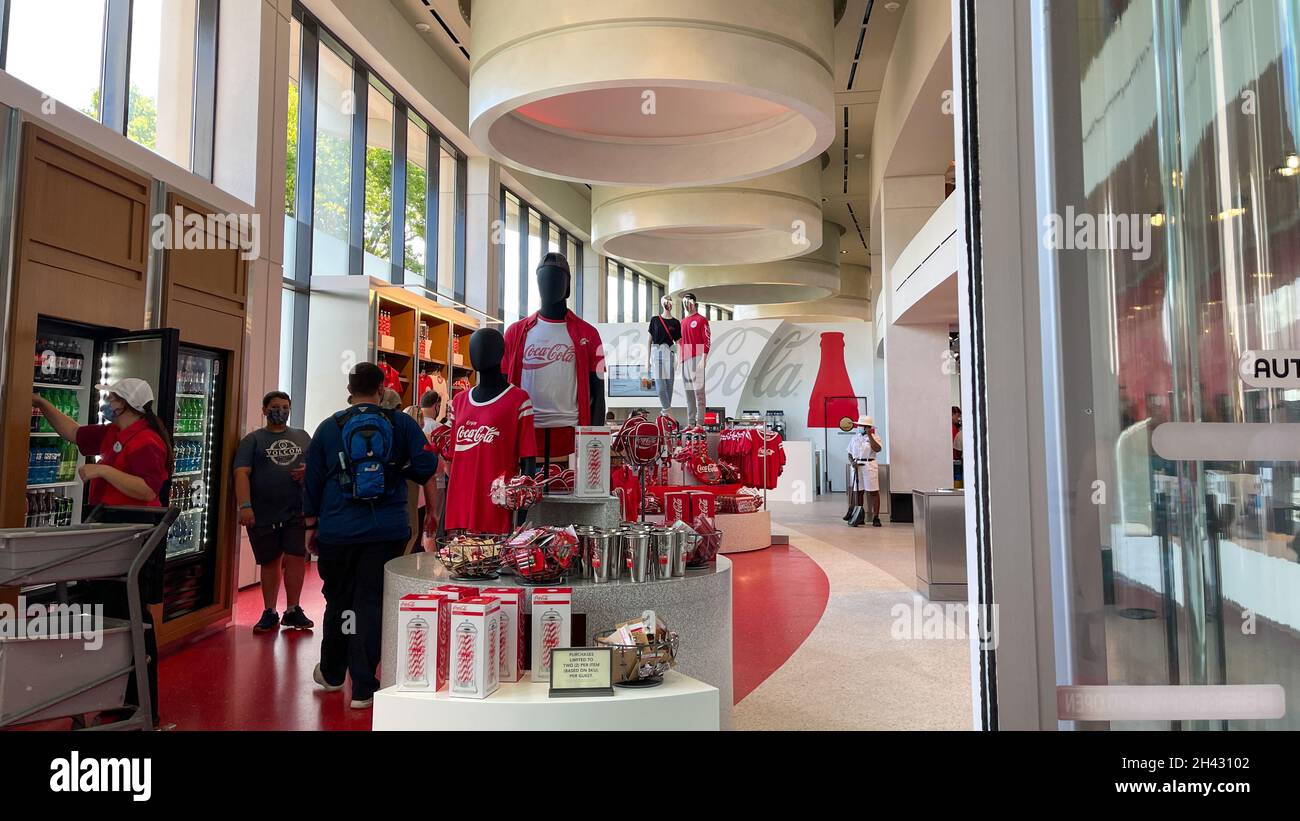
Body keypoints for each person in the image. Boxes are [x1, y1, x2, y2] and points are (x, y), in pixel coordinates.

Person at [32, 377, 171, 726]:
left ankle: (144, 707)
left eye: (113, 397)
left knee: (134, 621)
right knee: (115, 619)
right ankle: (123, 701)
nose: (109, 402)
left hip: (134, 537)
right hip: (108, 533)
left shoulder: (148, 441)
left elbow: (146, 490)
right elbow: (73, 433)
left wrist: (103, 470)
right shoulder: (112, 433)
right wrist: (40, 402)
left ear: (126, 403)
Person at [303, 363, 440, 709]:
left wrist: (310, 528)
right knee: (371, 601)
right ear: (382, 389)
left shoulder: (329, 428)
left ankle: (333, 673)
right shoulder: (401, 423)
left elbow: (313, 482)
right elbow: (427, 469)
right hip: (387, 529)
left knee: (339, 599)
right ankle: (364, 686)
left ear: (349, 390)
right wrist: (432, 513)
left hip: (338, 529)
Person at [233, 391, 314, 634]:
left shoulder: (302, 436)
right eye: (276, 406)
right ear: (264, 410)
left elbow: (318, 465)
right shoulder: (253, 440)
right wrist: (244, 506)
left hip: (296, 510)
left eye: (285, 406)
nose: (281, 410)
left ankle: (293, 609)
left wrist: (307, 471)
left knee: (296, 558)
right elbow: (241, 473)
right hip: (263, 512)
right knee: (270, 562)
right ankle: (270, 611)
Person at [402, 390, 447, 549]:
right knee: (429, 528)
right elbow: (440, 465)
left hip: (413, 488)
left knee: (414, 528)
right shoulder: (438, 429)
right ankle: (428, 560)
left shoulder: (402, 432)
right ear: (436, 405)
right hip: (433, 485)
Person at [645, 294, 681, 414]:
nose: (668, 303)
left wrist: (678, 359)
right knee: (661, 388)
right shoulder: (655, 320)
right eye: (666, 301)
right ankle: (667, 412)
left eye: (670, 301)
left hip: (670, 354)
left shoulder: (676, 322)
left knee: (669, 387)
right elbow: (649, 341)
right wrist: (647, 361)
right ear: (662, 303)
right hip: (657, 354)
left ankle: (666, 416)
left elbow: (678, 343)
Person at [679, 292, 711, 430]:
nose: (686, 304)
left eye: (688, 301)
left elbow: (707, 340)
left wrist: (704, 358)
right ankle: (691, 423)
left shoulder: (701, 320)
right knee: (689, 393)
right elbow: (680, 342)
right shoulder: (682, 321)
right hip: (684, 359)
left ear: (694, 302)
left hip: (697, 356)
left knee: (699, 392)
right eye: (684, 302)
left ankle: (700, 423)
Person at [847, 414, 883, 527]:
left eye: (863, 425)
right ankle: (859, 515)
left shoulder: (874, 437)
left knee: (873, 492)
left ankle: (876, 517)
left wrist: (869, 435)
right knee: (859, 492)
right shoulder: (855, 437)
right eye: (860, 425)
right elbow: (849, 453)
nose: (860, 427)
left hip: (869, 464)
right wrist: (852, 462)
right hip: (857, 465)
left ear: (868, 427)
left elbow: (877, 449)